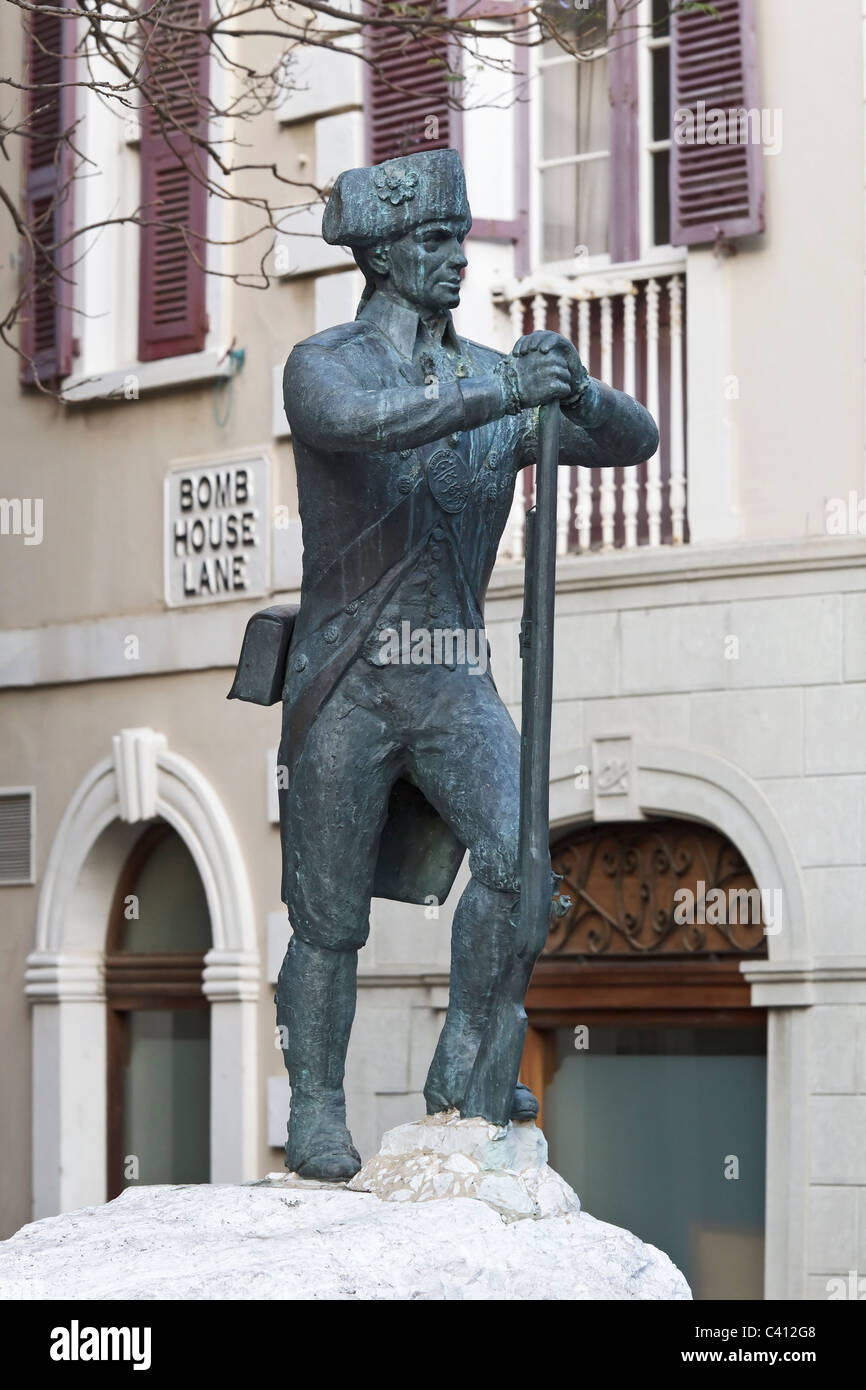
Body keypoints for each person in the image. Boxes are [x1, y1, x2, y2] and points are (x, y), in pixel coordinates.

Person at [275, 148, 658, 1180]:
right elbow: (353, 425)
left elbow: (634, 440)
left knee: (518, 862)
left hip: (448, 676)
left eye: (459, 238)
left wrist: (572, 387)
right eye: (433, 242)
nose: (455, 258)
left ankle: (471, 1070)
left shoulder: (498, 377)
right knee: (326, 915)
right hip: (344, 679)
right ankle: (314, 1105)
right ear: (384, 255)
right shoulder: (325, 363)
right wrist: (497, 400)